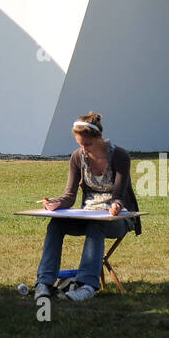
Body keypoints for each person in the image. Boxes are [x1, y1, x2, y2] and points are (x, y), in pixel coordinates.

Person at [33, 112, 141, 303]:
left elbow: (119, 196)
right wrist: (56, 203)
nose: (84, 149)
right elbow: (70, 195)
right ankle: (44, 282)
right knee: (56, 224)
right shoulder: (77, 157)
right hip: (88, 214)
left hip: (119, 218)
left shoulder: (120, 156)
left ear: (99, 137)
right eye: (80, 144)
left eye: (88, 144)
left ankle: (87, 285)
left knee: (95, 225)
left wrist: (115, 206)